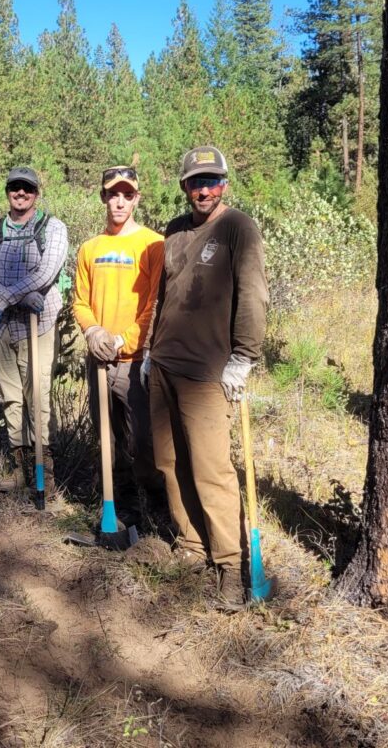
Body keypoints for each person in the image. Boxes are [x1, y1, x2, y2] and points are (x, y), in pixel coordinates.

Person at [142, 146, 269, 610]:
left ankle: (230, 565)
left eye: (212, 181)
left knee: (211, 468)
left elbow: (253, 296)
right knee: (169, 462)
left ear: (225, 185)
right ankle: (192, 543)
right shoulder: (174, 231)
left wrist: (244, 357)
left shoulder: (238, 227)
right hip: (164, 364)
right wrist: (149, 350)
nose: (204, 189)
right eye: (196, 182)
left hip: (208, 372)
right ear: (184, 186)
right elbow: (163, 293)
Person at [72, 166, 167, 528]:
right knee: (108, 442)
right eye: (114, 194)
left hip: (135, 363)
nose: (120, 201)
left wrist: (122, 341)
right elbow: (80, 300)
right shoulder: (89, 248)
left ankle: (159, 509)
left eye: (128, 194)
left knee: (145, 443)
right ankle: (124, 510)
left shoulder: (153, 244)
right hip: (97, 362)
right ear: (103, 197)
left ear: (137, 199)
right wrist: (93, 331)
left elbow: (154, 305)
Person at [0, 167, 68, 498]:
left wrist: (6, 297)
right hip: (0, 326)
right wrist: (4, 299)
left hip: (38, 325)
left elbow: (46, 272)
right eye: (15, 187)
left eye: (27, 188)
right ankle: (21, 467)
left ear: (36, 193)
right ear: (7, 192)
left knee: (38, 396)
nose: (20, 193)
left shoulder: (53, 228)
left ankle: (46, 471)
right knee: (10, 397)